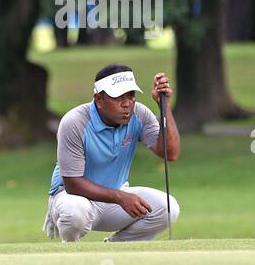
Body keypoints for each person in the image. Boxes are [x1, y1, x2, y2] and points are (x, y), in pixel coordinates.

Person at [42, 64, 181, 242]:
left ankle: (115, 249)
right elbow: (72, 184)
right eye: (118, 97)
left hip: (114, 199)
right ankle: (71, 253)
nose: (127, 104)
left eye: (131, 96)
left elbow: (171, 153)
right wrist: (120, 197)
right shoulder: (75, 122)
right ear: (99, 100)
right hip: (71, 197)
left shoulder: (139, 114)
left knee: (167, 208)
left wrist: (164, 105)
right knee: (75, 212)